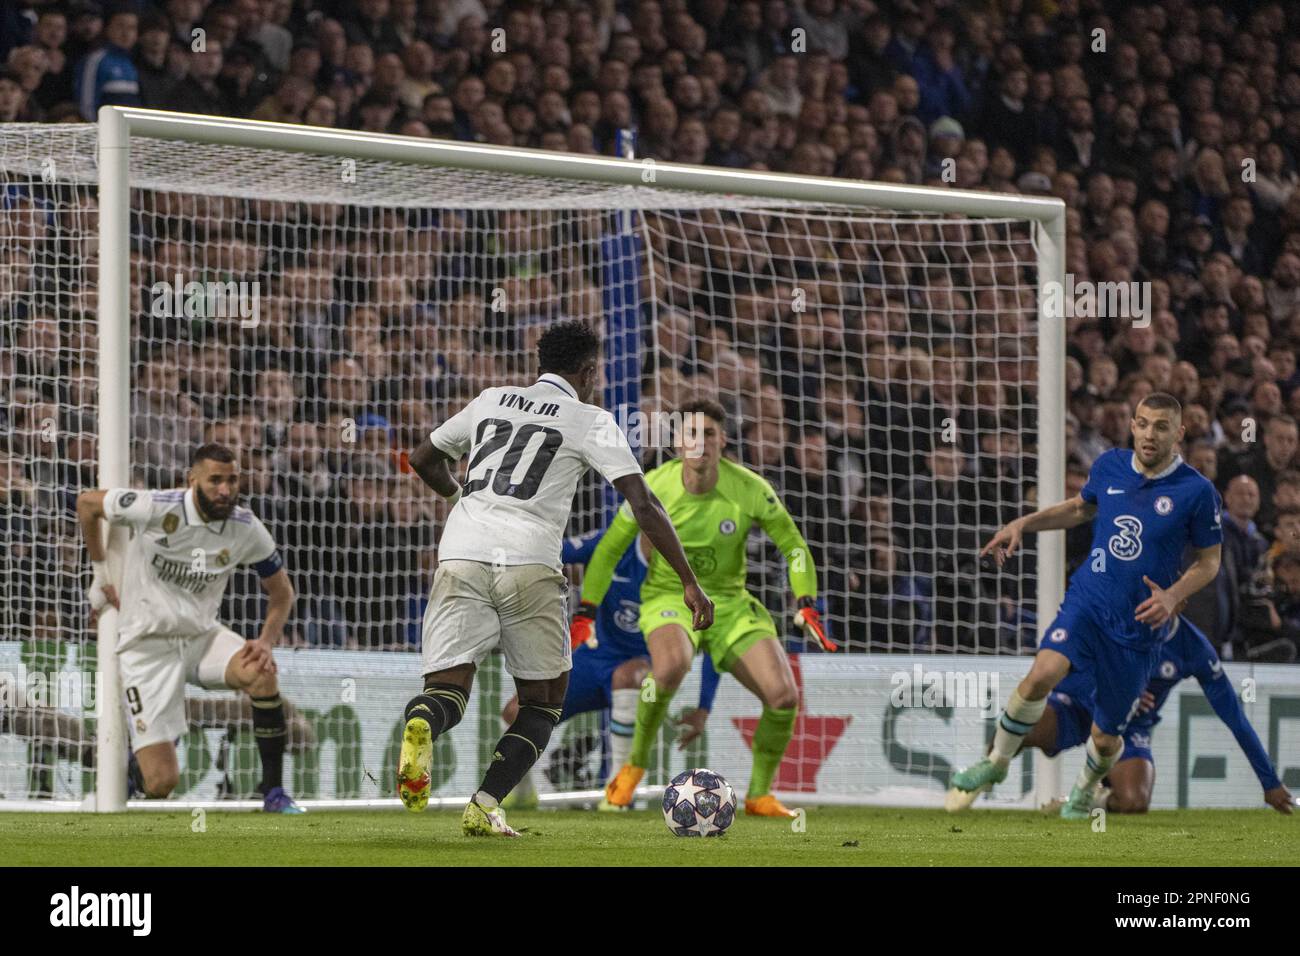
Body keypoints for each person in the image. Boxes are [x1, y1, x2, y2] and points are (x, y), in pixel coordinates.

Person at [398, 320, 712, 837]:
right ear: (588, 371)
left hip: (460, 553)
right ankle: (484, 804)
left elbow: (422, 459)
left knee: (447, 687)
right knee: (542, 702)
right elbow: (643, 503)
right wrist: (689, 581)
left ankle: (423, 724)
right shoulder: (590, 419)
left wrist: (461, 502)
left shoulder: (490, 399)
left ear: (538, 364)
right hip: (530, 560)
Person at [947, 393, 1223, 819]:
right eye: (1144, 423)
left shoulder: (1197, 491)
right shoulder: (1110, 465)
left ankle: (1086, 788)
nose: (1151, 434)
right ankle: (995, 764)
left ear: (1179, 433)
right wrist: (1024, 523)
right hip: (1090, 600)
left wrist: (1172, 595)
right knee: (1042, 673)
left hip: (1137, 628)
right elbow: (1079, 509)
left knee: (1106, 735)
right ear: (1132, 425)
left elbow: (1210, 561)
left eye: (1162, 426)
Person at [585, 399, 833, 818]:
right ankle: (633, 767)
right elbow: (609, 549)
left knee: (783, 696)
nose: (700, 442)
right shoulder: (652, 487)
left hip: (731, 603)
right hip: (669, 597)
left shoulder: (751, 488)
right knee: (669, 667)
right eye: (691, 434)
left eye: (710, 434)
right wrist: (585, 609)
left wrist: (804, 599)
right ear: (678, 443)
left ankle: (758, 795)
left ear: (723, 441)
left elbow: (793, 546)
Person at [76, 443, 304, 813]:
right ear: (192, 480)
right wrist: (101, 573)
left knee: (261, 673)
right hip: (145, 646)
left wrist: (266, 641)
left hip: (202, 637)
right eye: (215, 480)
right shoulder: (156, 507)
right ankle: (132, 778)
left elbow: (282, 592)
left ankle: (274, 793)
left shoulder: (245, 527)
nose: (226, 490)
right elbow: (88, 503)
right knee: (162, 782)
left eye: (232, 480)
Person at [500, 528, 721, 810]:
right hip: (591, 661)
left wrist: (704, 707)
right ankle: (522, 794)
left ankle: (618, 793)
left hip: (645, 672)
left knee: (629, 676)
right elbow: (556, 551)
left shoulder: (691, 572)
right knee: (513, 713)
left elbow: (715, 641)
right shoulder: (614, 540)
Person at [989, 614, 1291, 815]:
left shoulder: (1193, 647)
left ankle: (1087, 799)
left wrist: (1269, 783)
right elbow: (1070, 667)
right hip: (1080, 706)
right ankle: (985, 768)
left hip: (1128, 727)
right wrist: (1115, 688)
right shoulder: (1112, 616)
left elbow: (1234, 717)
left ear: (1180, 599)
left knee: (1135, 801)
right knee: (1021, 729)